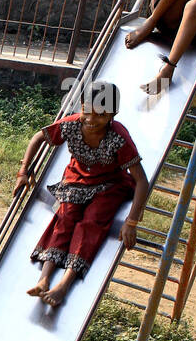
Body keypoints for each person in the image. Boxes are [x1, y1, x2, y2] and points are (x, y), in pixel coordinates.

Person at [15, 80, 149, 307]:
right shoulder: (72, 124)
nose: (91, 119)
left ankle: (64, 284)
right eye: (87, 111)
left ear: (112, 115)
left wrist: (132, 221)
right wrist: (23, 171)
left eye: (100, 115)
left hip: (109, 185)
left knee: (91, 223)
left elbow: (142, 181)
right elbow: (38, 138)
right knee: (65, 217)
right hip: (76, 179)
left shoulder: (118, 137)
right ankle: (44, 279)